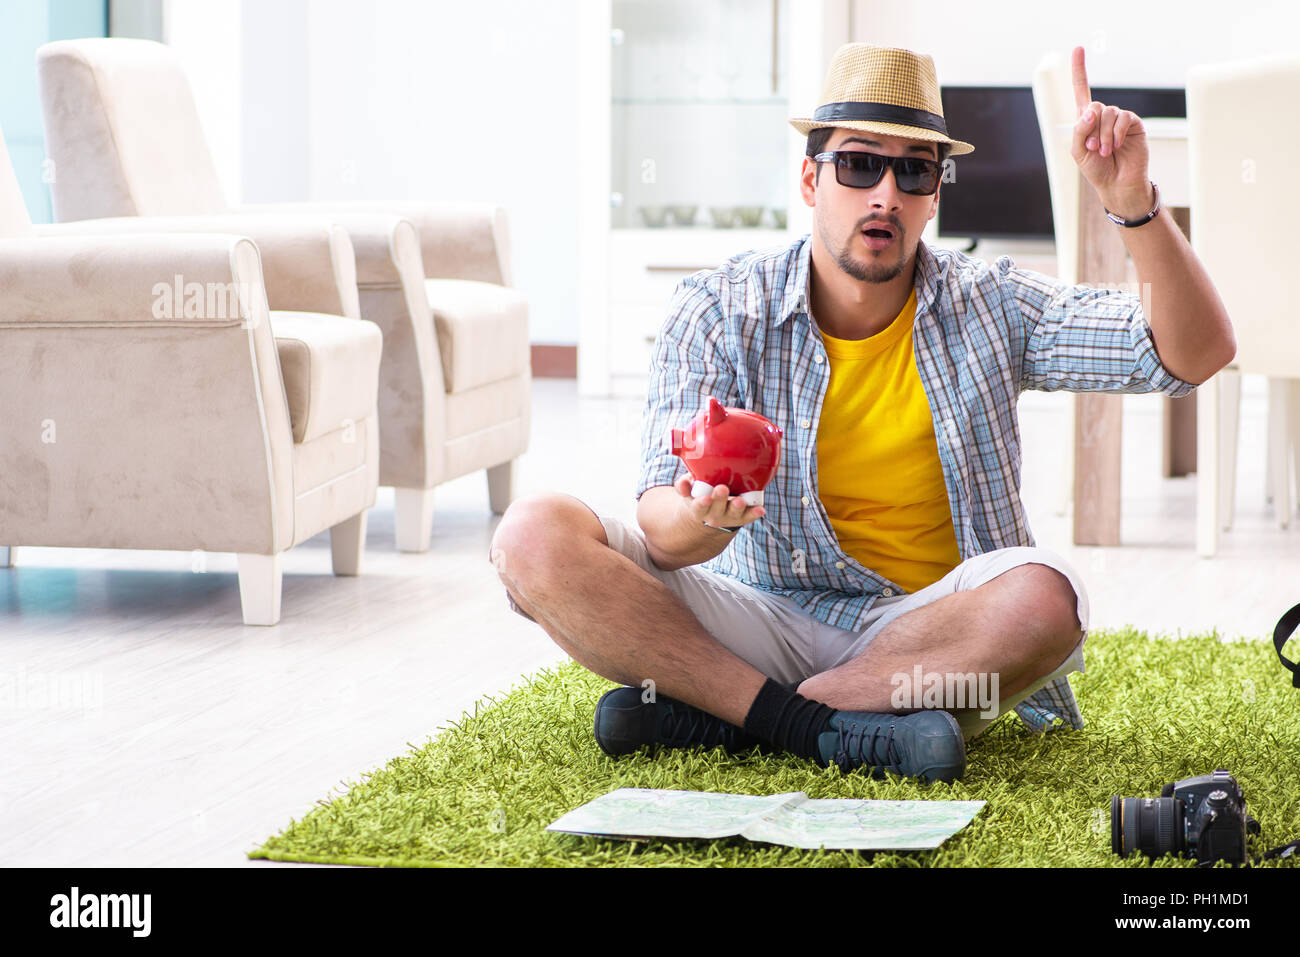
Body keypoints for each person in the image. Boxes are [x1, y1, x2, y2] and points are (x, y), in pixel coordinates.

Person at [489, 44, 1234, 783]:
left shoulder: (992, 302)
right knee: (531, 536)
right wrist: (703, 519)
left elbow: (1194, 354)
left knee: (1047, 597)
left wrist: (1132, 206)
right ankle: (827, 730)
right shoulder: (722, 308)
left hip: (928, 649)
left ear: (935, 194)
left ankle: (733, 714)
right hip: (760, 620)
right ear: (811, 179)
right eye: (858, 164)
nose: (885, 194)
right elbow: (660, 527)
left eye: (913, 169)